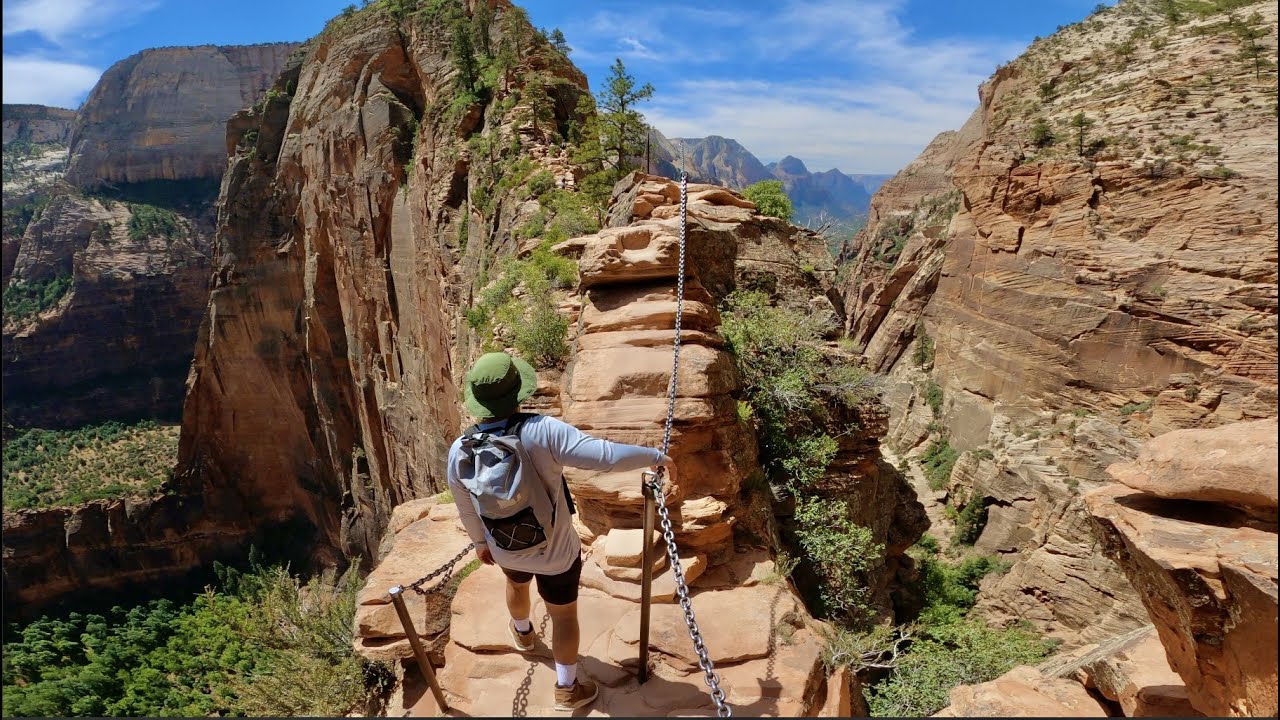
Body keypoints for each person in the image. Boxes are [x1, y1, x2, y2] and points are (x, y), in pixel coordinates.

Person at [447, 352, 676, 712]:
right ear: (517, 392)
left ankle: (523, 634)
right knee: (563, 615)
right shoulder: (542, 430)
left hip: (504, 546)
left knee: (516, 584)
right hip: (555, 552)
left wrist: (480, 543)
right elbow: (605, 456)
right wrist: (655, 456)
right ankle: (567, 688)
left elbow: (464, 505)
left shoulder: (460, 449)